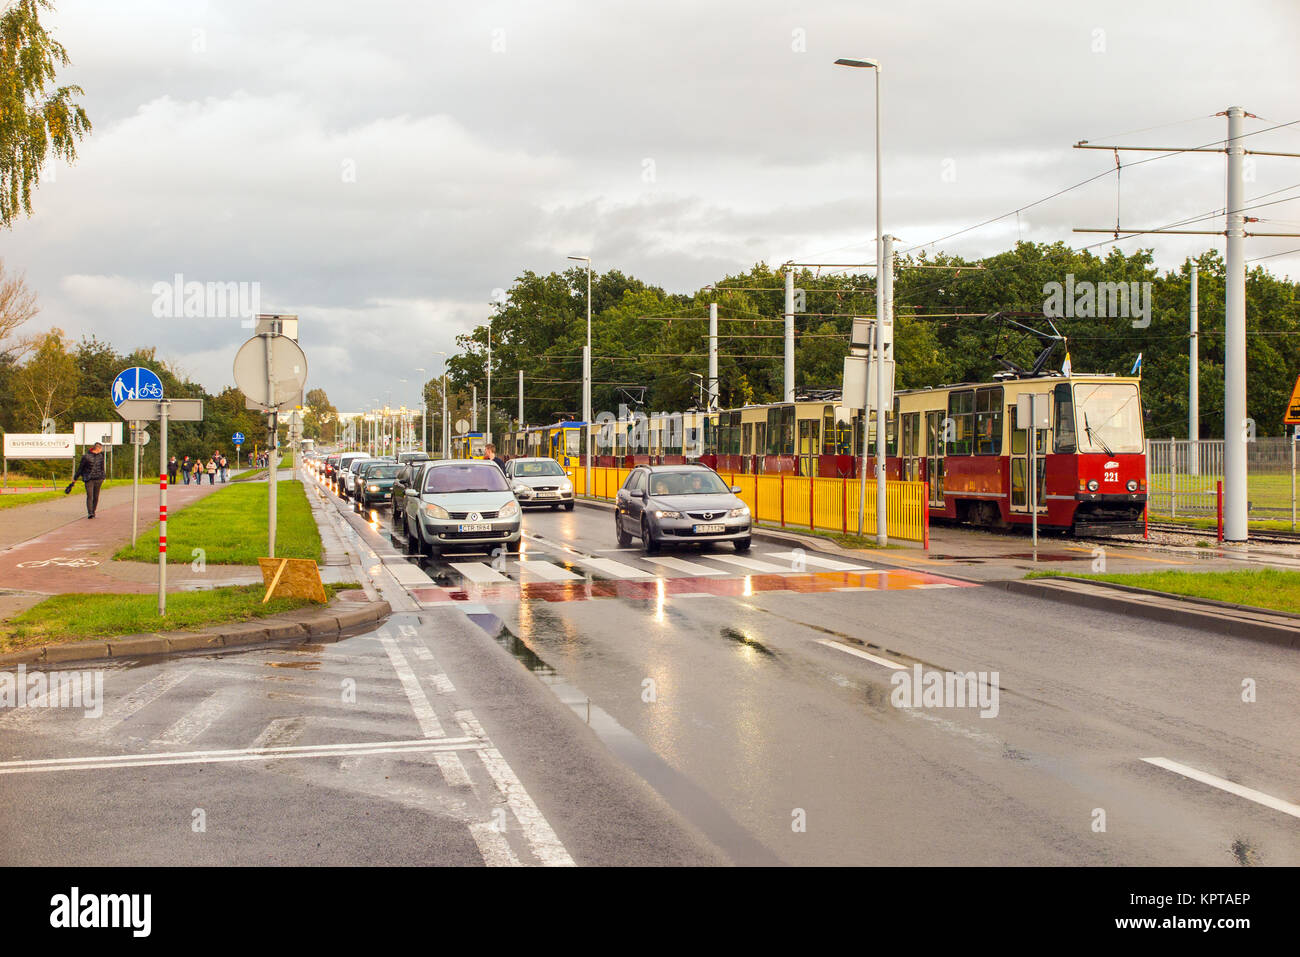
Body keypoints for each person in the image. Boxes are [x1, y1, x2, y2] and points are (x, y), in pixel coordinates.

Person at [70, 441, 106, 519]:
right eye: (101, 449)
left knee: (96, 496)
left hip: (98, 478)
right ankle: (90, 513)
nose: (101, 450)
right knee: (90, 496)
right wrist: (75, 479)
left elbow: (102, 467)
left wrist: (103, 476)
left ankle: (93, 511)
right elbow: (80, 468)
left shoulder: (101, 456)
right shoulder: (86, 457)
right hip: (88, 479)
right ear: (98, 448)